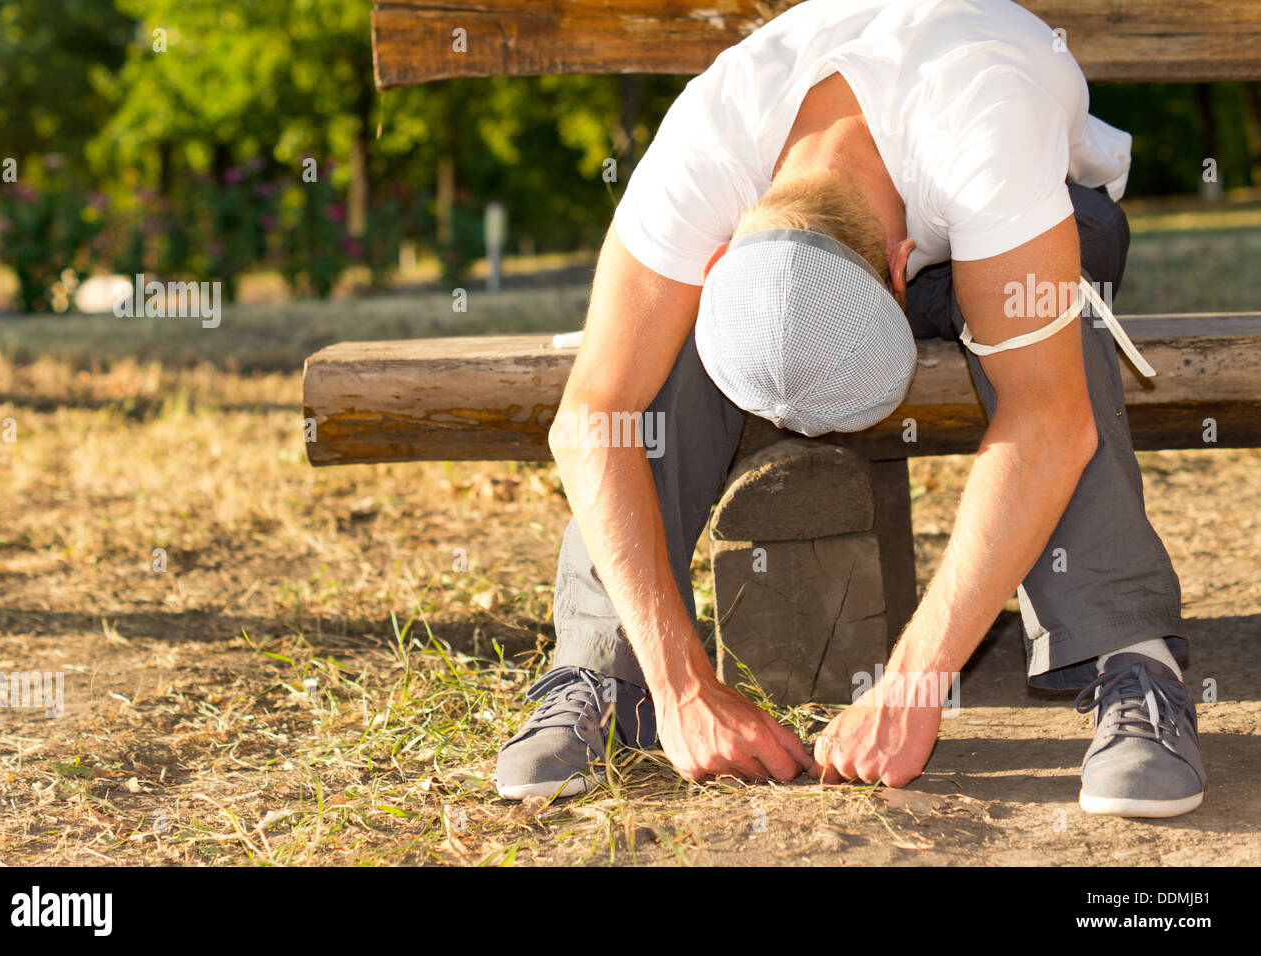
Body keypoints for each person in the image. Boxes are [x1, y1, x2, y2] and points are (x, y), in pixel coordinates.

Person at [495, 0, 1205, 818]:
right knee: (653, 353)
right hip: (854, 210)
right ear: (720, 252)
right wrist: (681, 681)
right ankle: (602, 666)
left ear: (902, 274)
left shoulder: (981, 128)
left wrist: (913, 685)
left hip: (1036, 209)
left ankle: (1133, 659)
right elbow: (590, 414)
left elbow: (1048, 420)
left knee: (1047, 320)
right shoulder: (707, 144)